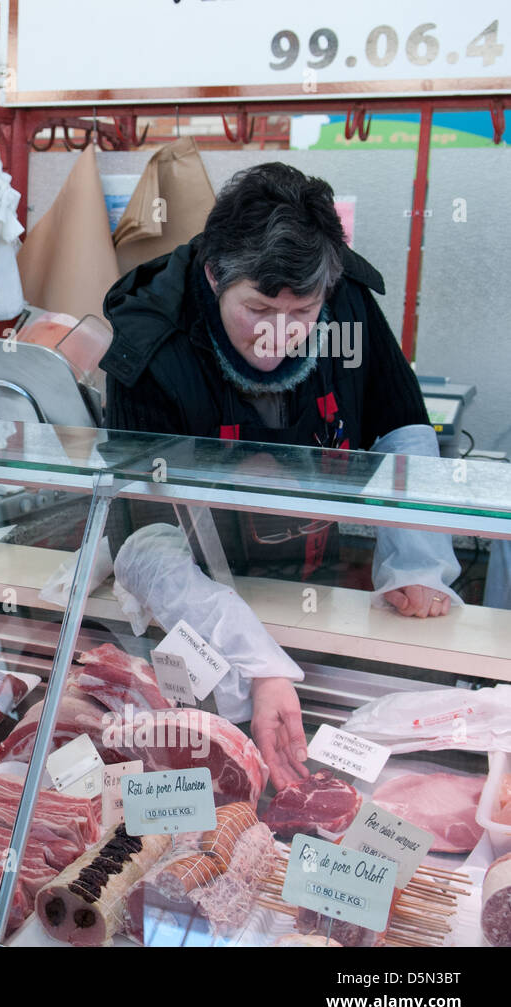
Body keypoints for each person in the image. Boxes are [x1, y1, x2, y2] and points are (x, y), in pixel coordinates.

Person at [99, 162, 462, 788]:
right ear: (214, 275)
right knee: (214, 772)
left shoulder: (346, 300)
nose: (279, 334)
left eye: (302, 313)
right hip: (190, 609)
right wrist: (257, 664)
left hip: (314, 590)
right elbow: (142, 539)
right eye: (258, 308)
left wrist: (416, 562)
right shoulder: (150, 341)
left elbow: (401, 428)